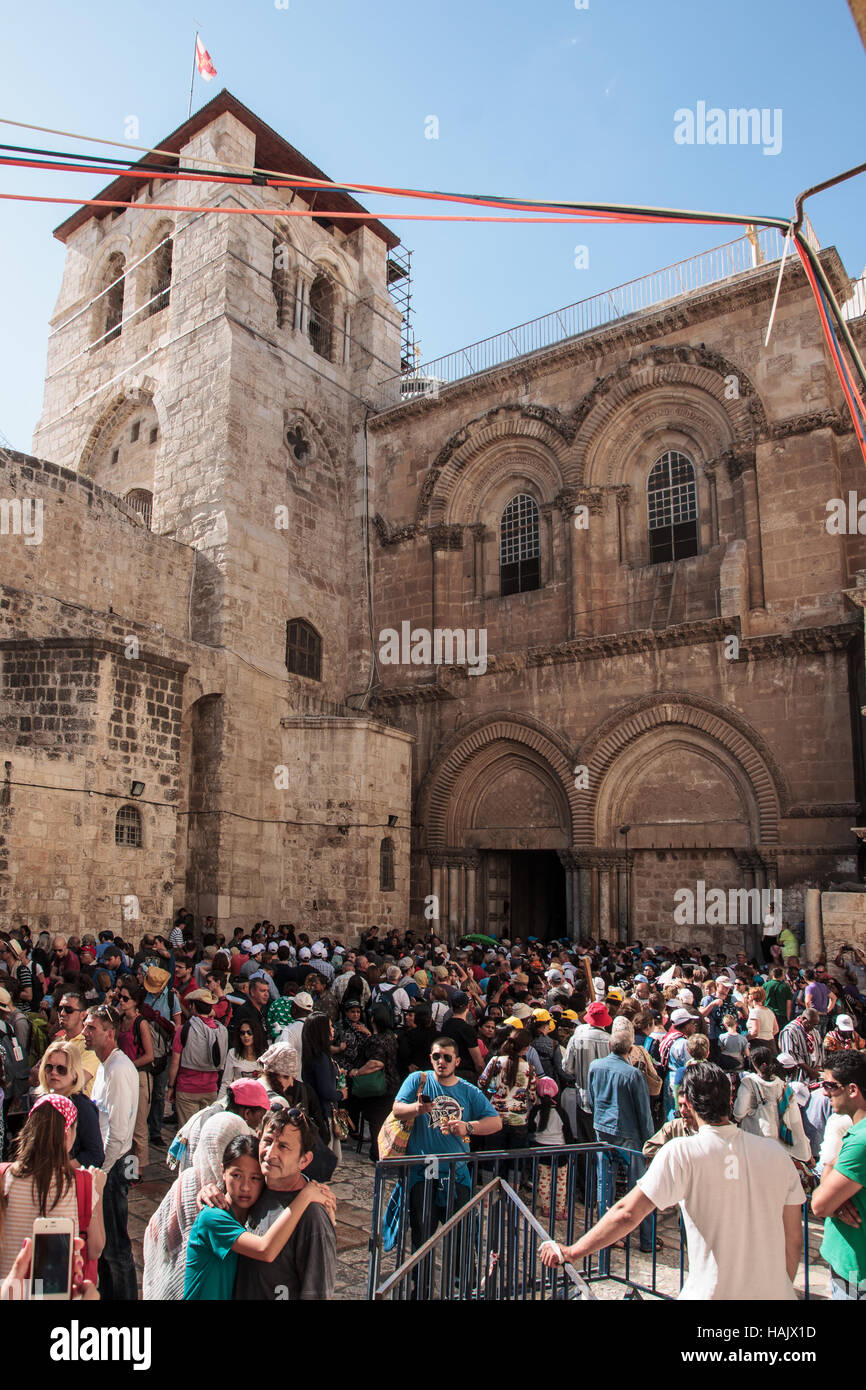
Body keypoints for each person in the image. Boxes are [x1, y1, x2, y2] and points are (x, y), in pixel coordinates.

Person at [541, 1062, 805, 1300]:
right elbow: (793, 1238)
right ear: (729, 1099)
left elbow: (627, 1212)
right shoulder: (777, 1156)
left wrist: (573, 1252)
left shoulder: (682, 1152)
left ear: (686, 1104)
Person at [198, 1105, 339, 1300]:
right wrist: (208, 1190)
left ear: (304, 1160)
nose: (270, 1154)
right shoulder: (257, 1187)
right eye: (268, 1141)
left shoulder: (312, 1215)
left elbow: (319, 1293)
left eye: (283, 1146)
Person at [391, 1038, 502, 1256]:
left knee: (461, 1237)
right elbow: (396, 1109)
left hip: (456, 1174)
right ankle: (420, 1287)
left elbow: (495, 1122)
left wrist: (468, 1127)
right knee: (421, 1237)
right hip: (421, 1173)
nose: (441, 1061)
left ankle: (461, 1285)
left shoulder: (469, 1091)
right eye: (436, 1056)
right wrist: (418, 1108)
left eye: (447, 1057)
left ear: (457, 1061)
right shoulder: (418, 1080)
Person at [143, 1106, 258, 1299]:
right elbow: (158, 1232)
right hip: (180, 1280)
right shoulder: (192, 1186)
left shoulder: (245, 1190)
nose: (246, 1185)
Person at [0, 1095, 105, 1291]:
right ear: (68, 1134)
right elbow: (96, 1249)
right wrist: (97, 1193)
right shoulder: (82, 1184)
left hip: (8, 1289)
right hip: (52, 1291)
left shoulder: (4, 1177)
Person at [587, 1016, 659, 1260]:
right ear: (630, 1050)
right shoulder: (632, 1075)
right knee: (640, 1188)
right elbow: (643, 1112)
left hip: (603, 1129)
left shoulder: (595, 1067)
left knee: (603, 1184)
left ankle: (605, 1236)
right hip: (628, 1135)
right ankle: (647, 1240)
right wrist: (649, 1144)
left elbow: (592, 1098)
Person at [82, 1004, 138, 1300]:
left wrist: (100, 1173)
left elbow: (117, 1132)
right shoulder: (105, 1067)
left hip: (111, 1169)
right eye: (86, 1026)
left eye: (91, 1028)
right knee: (103, 1247)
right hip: (105, 1168)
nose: (84, 1032)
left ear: (110, 1033)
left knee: (116, 1247)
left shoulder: (118, 1070)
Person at [812, 1051, 866, 1299]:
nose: (825, 1092)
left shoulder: (860, 1142)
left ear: (852, 1089)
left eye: (831, 1085)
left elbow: (819, 1205)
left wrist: (832, 1166)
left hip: (856, 1272)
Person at [733, 1046, 811, 1161]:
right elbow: (794, 1119)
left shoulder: (749, 1082)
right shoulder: (783, 1086)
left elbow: (739, 1113)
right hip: (779, 1143)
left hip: (755, 1138)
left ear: (753, 1063)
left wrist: (748, 1113)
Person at [166, 989, 229, 1127]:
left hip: (187, 1089)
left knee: (187, 1132)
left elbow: (175, 1061)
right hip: (211, 1089)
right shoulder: (221, 1030)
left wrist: (171, 1086)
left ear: (193, 1006)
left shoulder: (185, 1029)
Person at [36, 1042, 104, 1168]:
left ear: (75, 1073)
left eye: (61, 1069)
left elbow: (95, 1155)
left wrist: (59, 1172)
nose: (54, 1073)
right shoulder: (43, 1102)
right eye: (49, 1067)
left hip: (67, 1181)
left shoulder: (83, 1107)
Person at [348, 1001, 399, 1161]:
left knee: (376, 1122)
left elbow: (376, 1063)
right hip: (392, 1083)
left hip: (379, 1086)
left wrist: (357, 1072)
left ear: (372, 1019)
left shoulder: (375, 1040)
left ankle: (378, 1153)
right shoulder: (390, 1036)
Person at [115, 977, 154, 1174]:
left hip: (139, 1078)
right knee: (125, 1126)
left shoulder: (141, 1023)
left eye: (125, 998)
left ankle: (136, 1171)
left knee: (138, 1126)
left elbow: (149, 1055)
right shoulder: (120, 1021)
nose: (121, 1001)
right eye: (120, 997)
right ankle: (128, 1169)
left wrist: (127, 1065)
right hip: (123, 1078)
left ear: (135, 1001)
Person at [478, 1028, 538, 1147]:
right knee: (515, 1162)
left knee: (492, 1158)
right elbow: (532, 1097)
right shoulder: (529, 1069)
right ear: (526, 1048)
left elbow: (481, 1083)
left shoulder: (495, 1061)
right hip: (519, 1120)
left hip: (494, 1117)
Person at [301, 1013, 342, 1156]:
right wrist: (341, 1094)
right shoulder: (321, 1058)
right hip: (324, 1114)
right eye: (330, 1027)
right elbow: (326, 1091)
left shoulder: (312, 1055)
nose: (333, 1030)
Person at [219, 1015, 267, 1095]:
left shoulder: (265, 1055)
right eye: (242, 1033)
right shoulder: (233, 1053)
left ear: (255, 1034)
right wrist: (218, 1103)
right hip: (238, 1099)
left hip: (258, 1099)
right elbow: (226, 1083)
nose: (246, 1035)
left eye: (249, 1032)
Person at [746, 986, 779, 1058]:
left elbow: (755, 1032)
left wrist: (745, 1039)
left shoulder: (755, 1012)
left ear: (751, 997)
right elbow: (776, 1029)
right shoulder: (769, 1011)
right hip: (771, 1044)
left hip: (758, 1046)